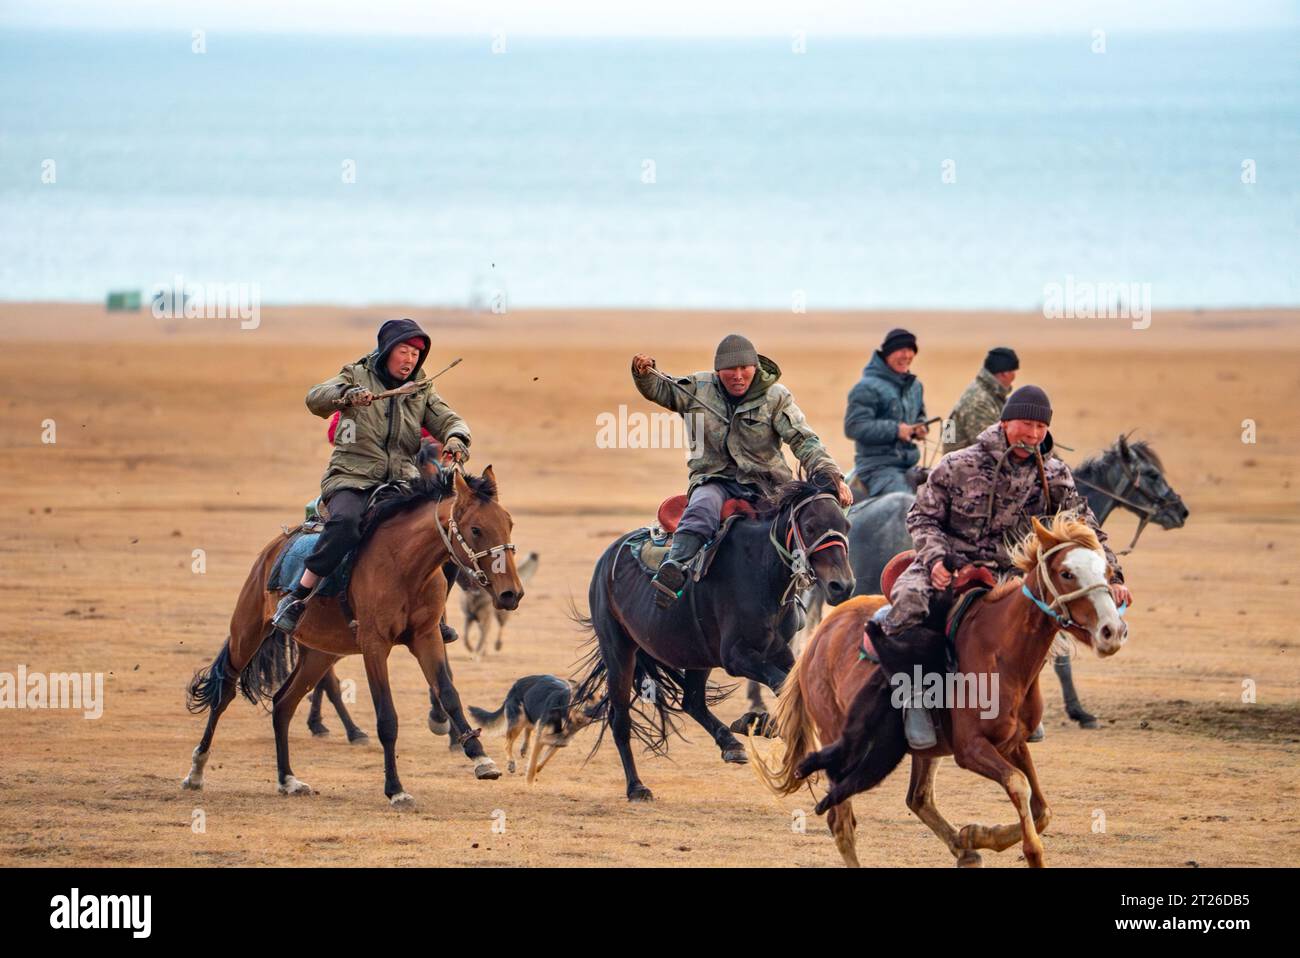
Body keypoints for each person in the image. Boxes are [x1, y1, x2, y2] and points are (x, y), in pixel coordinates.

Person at [880, 385, 1132, 748]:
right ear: (1004, 422)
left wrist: (1116, 578)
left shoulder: (1055, 474)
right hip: (952, 562)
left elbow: (1088, 530)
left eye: (1041, 428)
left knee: (1044, 612)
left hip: (1010, 572)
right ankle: (917, 700)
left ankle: (1021, 705)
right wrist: (936, 559)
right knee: (909, 602)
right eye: (1025, 424)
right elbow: (921, 517)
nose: (1033, 435)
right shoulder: (958, 465)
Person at [271, 318, 470, 636]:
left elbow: (449, 419)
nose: (409, 360)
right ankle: (298, 596)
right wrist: (347, 395)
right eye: (403, 351)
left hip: (401, 482)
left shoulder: (420, 388)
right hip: (351, 477)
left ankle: (434, 614)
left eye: (416, 355)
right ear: (387, 350)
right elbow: (315, 399)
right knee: (346, 523)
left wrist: (457, 438)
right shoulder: (355, 374)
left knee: (444, 527)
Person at [630, 333, 852, 606]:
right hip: (715, 480)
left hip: (768, 485)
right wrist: (643, 375)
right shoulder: (697, 388)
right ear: (717, 371)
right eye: (729, 369)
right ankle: (674, 570)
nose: (737, 375)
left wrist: (834, 478)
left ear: (755, 368)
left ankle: (793, 594)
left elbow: (803, 440)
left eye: (744, 368)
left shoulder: (775, 397)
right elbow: (662, 390)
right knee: (701, 509)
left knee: (798, 525)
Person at [844, 327, 928, 500]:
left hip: (909, 464)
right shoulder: (866, 387)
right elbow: (854, 427)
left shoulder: (915, 386)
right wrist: (896, 430)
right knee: (906, 505)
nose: (907, 355)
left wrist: (921, 427)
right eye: (901, 350)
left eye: (911, 350)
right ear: (888, 354)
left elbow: (920, 415)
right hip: (876, 468)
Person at [942, 346, 1019, 455]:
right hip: (963, 467)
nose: (1014, 376)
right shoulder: (979, 401)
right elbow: (992, 447)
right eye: (1014, 371)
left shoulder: (989, 393)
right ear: (1005, 373)